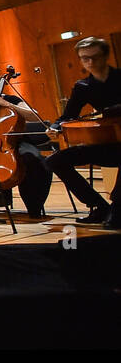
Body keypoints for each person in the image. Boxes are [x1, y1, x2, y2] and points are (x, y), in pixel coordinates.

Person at [43, 37, 120, 227]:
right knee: (54, 160)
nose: (90, 63)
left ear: (106, 56)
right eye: (85, 58)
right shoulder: (83, 87)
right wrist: (55, 127)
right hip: (106, 141)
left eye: (95, 57)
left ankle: (118, 208)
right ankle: (99, 206)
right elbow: (68, 116)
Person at [0, 67, 52, 220]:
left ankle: (34, 205)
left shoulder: (11, 99)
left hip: (16, 140)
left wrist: (7, 104)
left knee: (33, 159)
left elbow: (34, 116)